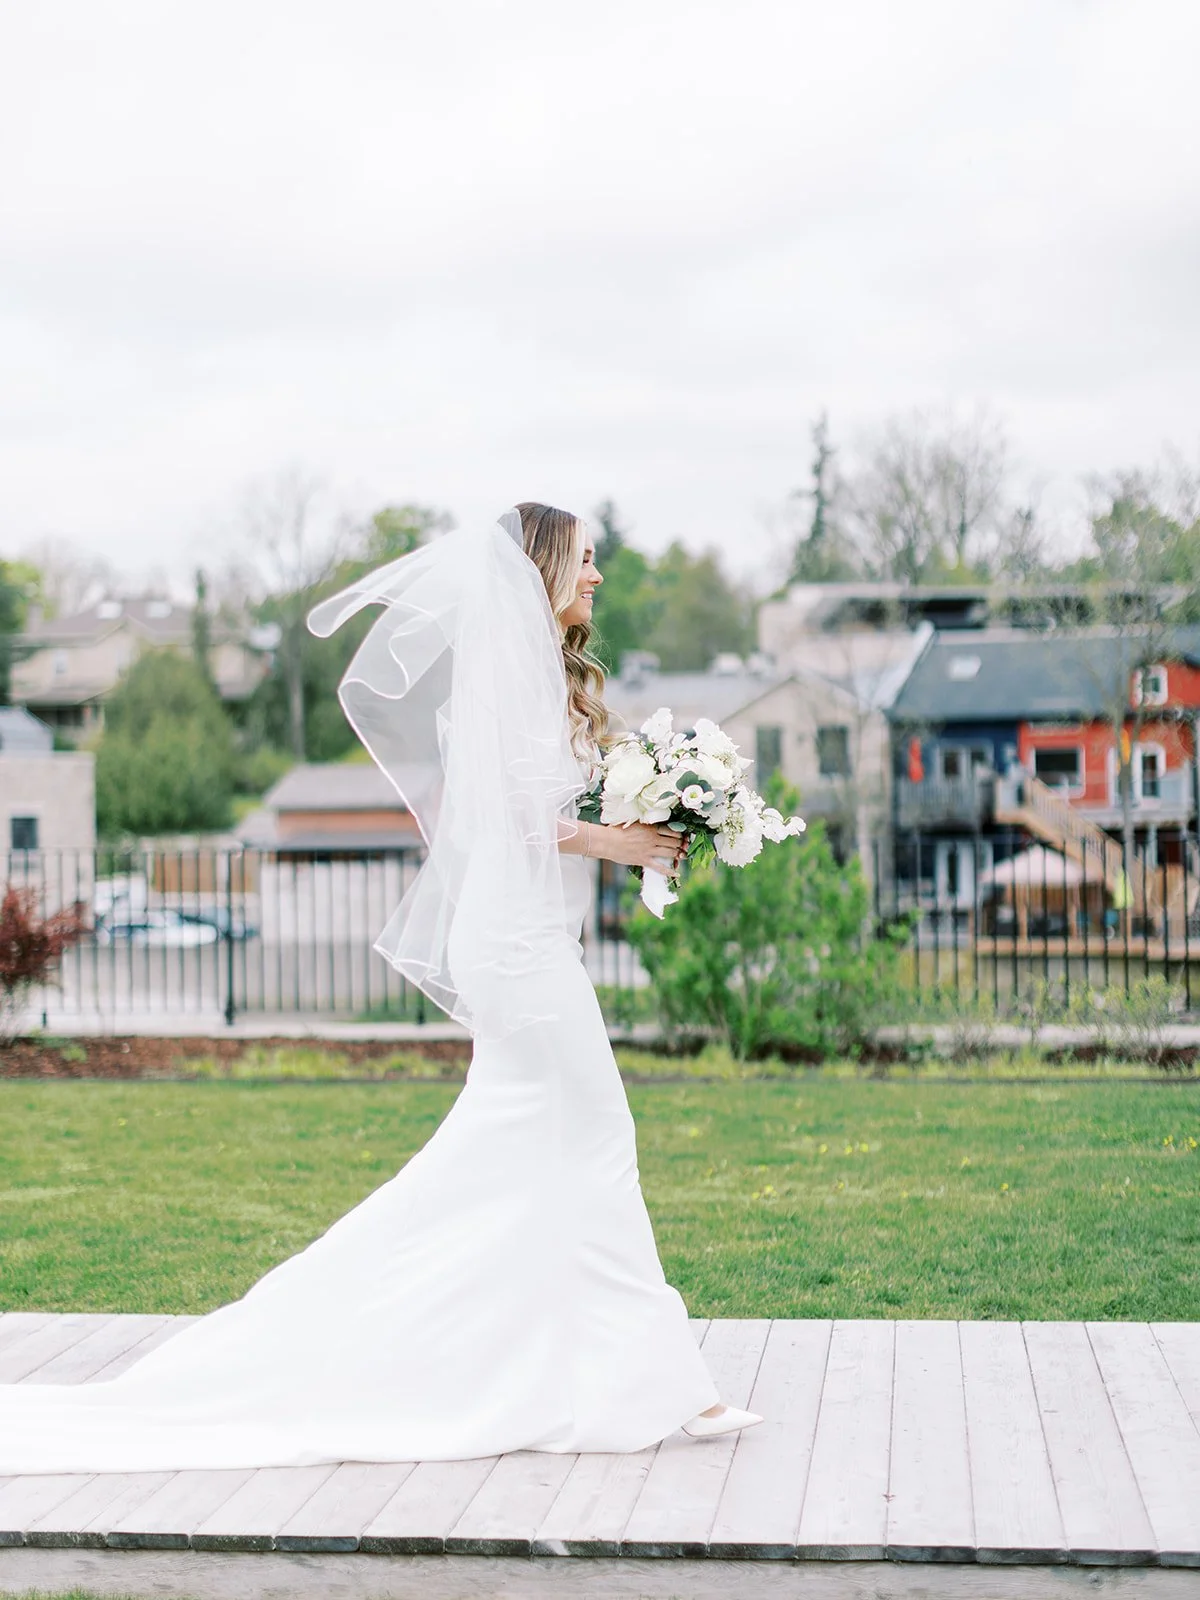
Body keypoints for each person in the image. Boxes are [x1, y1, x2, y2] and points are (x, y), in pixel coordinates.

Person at [0, 503, 759, 1474]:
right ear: (541, 567)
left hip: (527, 939)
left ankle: (515, 1355)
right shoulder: (509, 672)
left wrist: (661, 800)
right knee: (599, 1136)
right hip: (517, 946)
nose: (597, 576)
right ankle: (671, 1384)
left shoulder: (533, 668)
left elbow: (541, 801)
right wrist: (622, 839)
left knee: (521, 1155)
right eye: (585, 559)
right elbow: (503, 811)